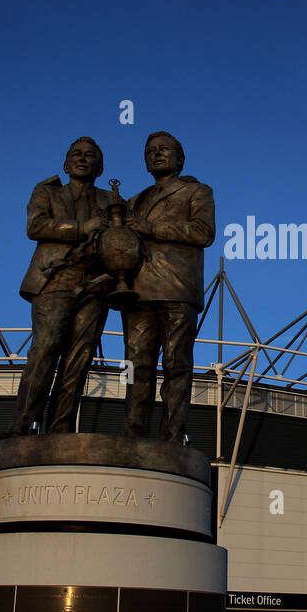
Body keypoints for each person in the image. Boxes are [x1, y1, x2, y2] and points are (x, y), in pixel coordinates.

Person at [8, 137, 112, 438]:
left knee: (79, 359)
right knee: (45, 351)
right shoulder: (48, 192)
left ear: (100, 167)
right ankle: (23, 426)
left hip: (95, 285)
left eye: (90, 156)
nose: (82, 159)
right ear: (66, 164)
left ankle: (59, 429)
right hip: (55, 279)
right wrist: (82, 229)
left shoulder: (111, 201)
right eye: (76, 154)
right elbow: (36, 226)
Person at [121, 131, 215, 442]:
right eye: (150, 150)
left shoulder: (196, 191)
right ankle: (134, 435)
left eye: (164, 149)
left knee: (176, 364)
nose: (156, 154)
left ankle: (173, 436)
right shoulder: (133, 201)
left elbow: (204, 232)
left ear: (180, 159)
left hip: (177, 288)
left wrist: (153, 228)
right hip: (138, 292)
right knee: (137, 367)